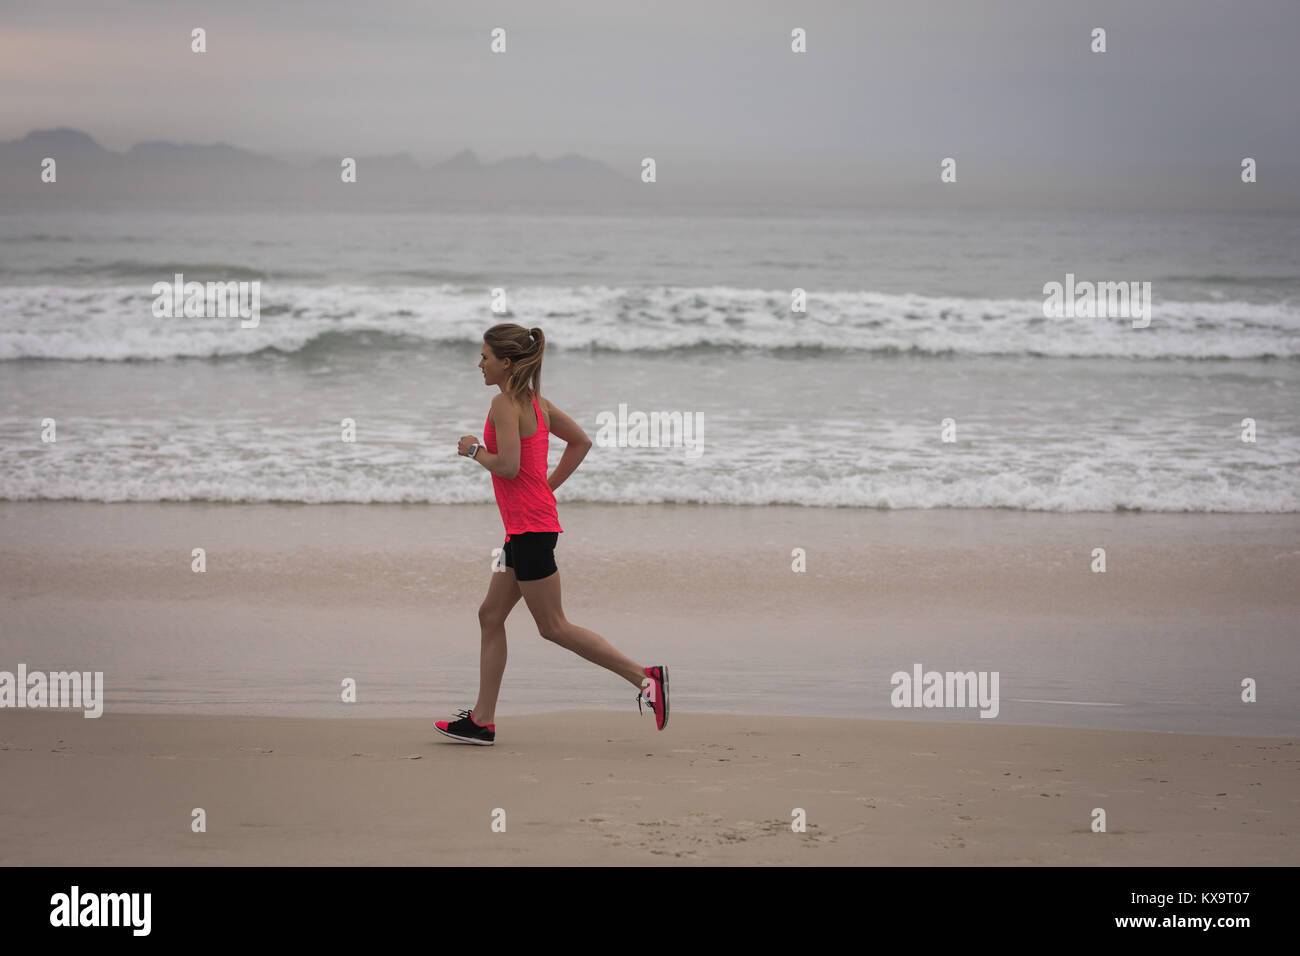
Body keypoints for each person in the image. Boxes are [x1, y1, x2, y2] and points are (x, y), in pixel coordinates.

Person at [435, 323, 668, 745]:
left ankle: (645, 678)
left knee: (554, 626)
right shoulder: (537, 403)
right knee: (490, 616)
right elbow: (580, 442)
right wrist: (546, 487)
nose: (480, 363)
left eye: (485, 357)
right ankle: (482, 721)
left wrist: (473, 451)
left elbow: (506, 466)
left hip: (531, 531)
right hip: (526, 528)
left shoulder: (505, 403)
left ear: (506, 362)